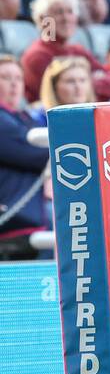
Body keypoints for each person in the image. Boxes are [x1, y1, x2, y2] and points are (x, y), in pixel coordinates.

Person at [22, 0, 110, 103]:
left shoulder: (78, 50)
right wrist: (92, 81)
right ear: (43, 20)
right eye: (59, 12)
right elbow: (57, 98)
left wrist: (88, 85)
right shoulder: (37, 55)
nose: (66, 18)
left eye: (70, 11)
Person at [0, 54, 51, 253]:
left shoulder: (23, 117)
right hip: (15, 214)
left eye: (18, 78)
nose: (13, 84)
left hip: (29, 212)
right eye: (5, 78)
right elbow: (32, 153)